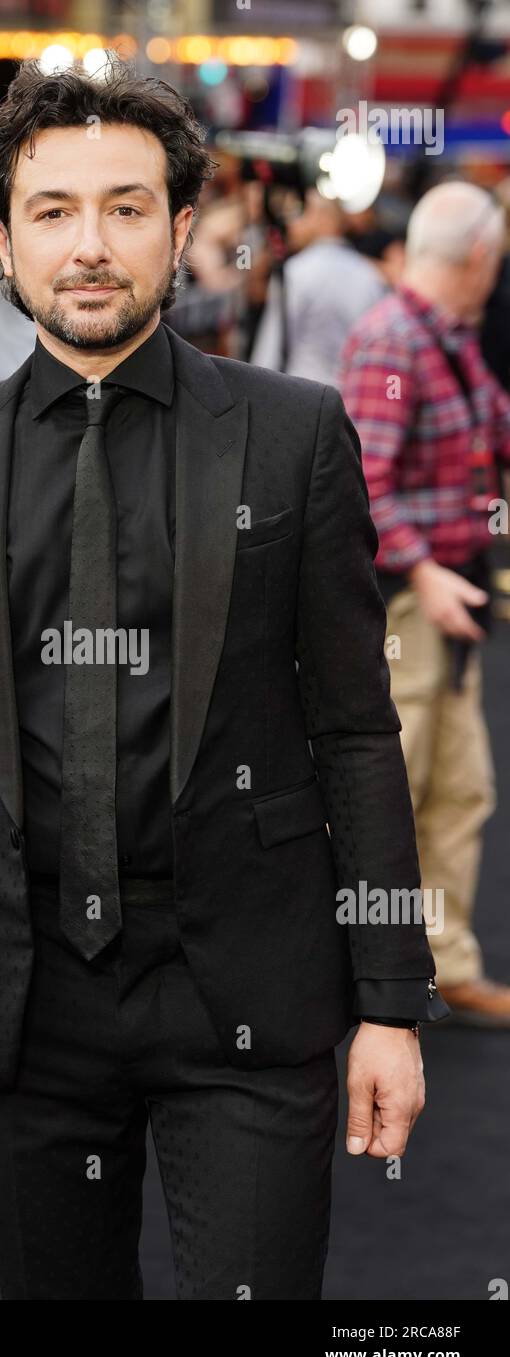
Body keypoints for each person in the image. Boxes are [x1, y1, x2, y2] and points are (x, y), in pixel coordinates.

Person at [0, 60, 449, 1301]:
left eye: (124, 208)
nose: (88, 245)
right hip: (24, 1005)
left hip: (246, 991)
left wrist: (391, 1001)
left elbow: (354, 729)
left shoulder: (291, 434)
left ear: (179, 231)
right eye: (52, 211)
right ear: (0, 240)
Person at [340, 180, 510, 1027]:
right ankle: (364, 976)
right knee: (391, 797)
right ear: (480, 257)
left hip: (447, 598)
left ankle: (442, 965)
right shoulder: (393, 342)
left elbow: (490, 437)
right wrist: (426, 571)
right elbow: (361, 486)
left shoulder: (447, 338)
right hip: (409, 606)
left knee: (459, 789)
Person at [250, 187, 388, 387]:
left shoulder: (294, 272)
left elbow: (270, 350)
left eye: (300, 212)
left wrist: (256, 392)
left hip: (300, 394)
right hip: (349, 395)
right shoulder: (370, 276)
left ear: (323, 218)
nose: (292, 223)